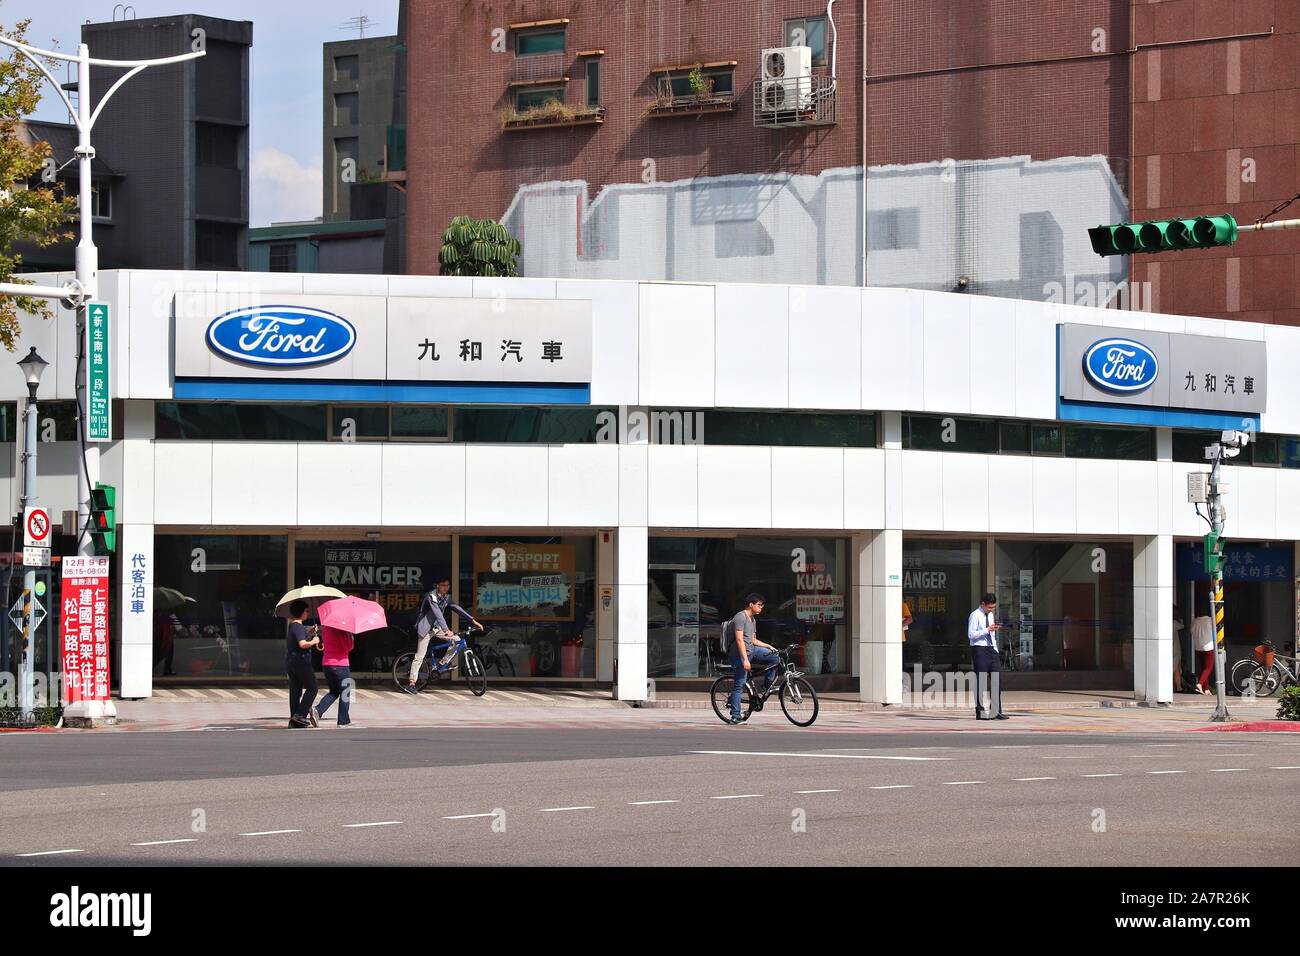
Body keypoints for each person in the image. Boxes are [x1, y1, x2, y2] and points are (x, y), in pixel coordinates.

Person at [409, 576, 484, 687]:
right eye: (443, 585)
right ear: (437, 586)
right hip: (425, 629)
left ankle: (442, 663)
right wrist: (446, 630)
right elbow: (437, 613)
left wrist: (473, 621)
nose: (445, 588)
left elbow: (458, 609)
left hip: (436, 628)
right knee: (419, 656)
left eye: (447, 585)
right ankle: (412, 682)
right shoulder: (431, 596)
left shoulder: (447, 598)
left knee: (457, 640)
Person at [727, 593, 779, 725]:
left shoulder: (753, 620)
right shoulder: (740, 617)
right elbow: (739, 640)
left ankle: (767, 686)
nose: (761, 607)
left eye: (762, 605)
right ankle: (735, 716)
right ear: (751, 604)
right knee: (739, 685)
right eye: (759, 605)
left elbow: (753, 640)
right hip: (739, 654)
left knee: (774, 657)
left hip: (752, 650)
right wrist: (745, 660)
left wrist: (768, 646)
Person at [967, 592, 1007, 720]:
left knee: (997, 680)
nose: (991, 610)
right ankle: (980, 712)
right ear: (983, 604)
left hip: (991, 649)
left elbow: (991, 634)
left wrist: (995, 648)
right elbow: (971, 634)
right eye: (989, 607)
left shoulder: (990, 615)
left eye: (993, 608)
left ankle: (996, 711)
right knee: (981, 681)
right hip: (979, 649)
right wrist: (986, 630)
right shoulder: (975, 615)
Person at [285, 601, 321, 728]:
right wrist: (314, 640)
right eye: (306, 611)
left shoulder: (293, 626)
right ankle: (300, 715)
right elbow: (302, 644)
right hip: (301, 662)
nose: (308, 613)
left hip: (292, 662)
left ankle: (294, 720)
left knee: (295, 690)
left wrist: (310, 633)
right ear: (301, 612)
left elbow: (300, 639)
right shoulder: (298, 626)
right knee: (312, 688)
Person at [314, 624, 356, 727]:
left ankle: (318, 710)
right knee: (345, 692)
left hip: (327, 663)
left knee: (334, 691)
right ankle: (343, 721)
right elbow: (348, 647)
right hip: (340, 663)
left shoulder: (326, 626)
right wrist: (350, 636)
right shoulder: (341, 629)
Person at [1191, 611, 1215, 695]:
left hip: (1198, 647)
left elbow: (1192, 632)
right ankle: (1200, 684)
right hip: (1208, 647)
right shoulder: (1210, 620)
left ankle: (1206, 689)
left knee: (1203, 668)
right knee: (1208, 668)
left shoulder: (1194, 621)